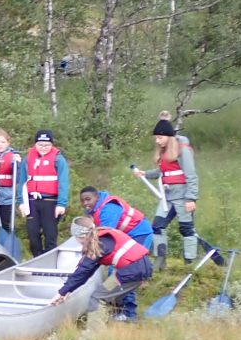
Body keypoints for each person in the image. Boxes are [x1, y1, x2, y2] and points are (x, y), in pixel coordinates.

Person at [50, 216, 153, 322]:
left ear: (81, 236)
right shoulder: (101, 236)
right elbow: (87, 271)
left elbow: (83, 271)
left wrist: (61, 292)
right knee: (108, 296)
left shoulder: (96, 244)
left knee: (98, 299)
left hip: (131, 272)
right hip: (141, 268)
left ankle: (92, 336)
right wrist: (67, 290)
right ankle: (119, 321)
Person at [133, 116, 202, 269]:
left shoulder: (182, 150)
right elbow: (163, 172)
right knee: (157, 226)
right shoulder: (163, 152)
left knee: (186, 229)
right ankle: (160, 263)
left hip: (183, 197)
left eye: (160, 137)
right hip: (167, 198)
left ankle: (189, 265)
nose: (157, 141)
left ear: (168, 137)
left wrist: (191, 198)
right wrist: (145, 174)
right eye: (156, 138)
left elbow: (191, 175)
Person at [79, 186, 154, 323]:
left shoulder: (108, 209)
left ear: (97, 197)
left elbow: (107, 235)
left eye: (88, 199)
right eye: (82, 201)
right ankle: (117, 308)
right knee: (115, 272)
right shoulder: (93, 208)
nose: (85, 203)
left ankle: (129, 312)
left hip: (139, 234)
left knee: (123, 272)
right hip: (125, 236)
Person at [20, 129, 70, 257]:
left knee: (50, 234)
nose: (43, 147)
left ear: (52, 145)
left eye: (47, 145)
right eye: (40, 144)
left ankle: (50, 260)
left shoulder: (58, 160)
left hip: (50, 202)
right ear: (35, 144)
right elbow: (22, 182)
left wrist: (61, 204)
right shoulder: (28, 159)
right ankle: (37, 258)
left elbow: (63, 182)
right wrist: (21, 202)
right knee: (32, 233)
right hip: (32, 201)